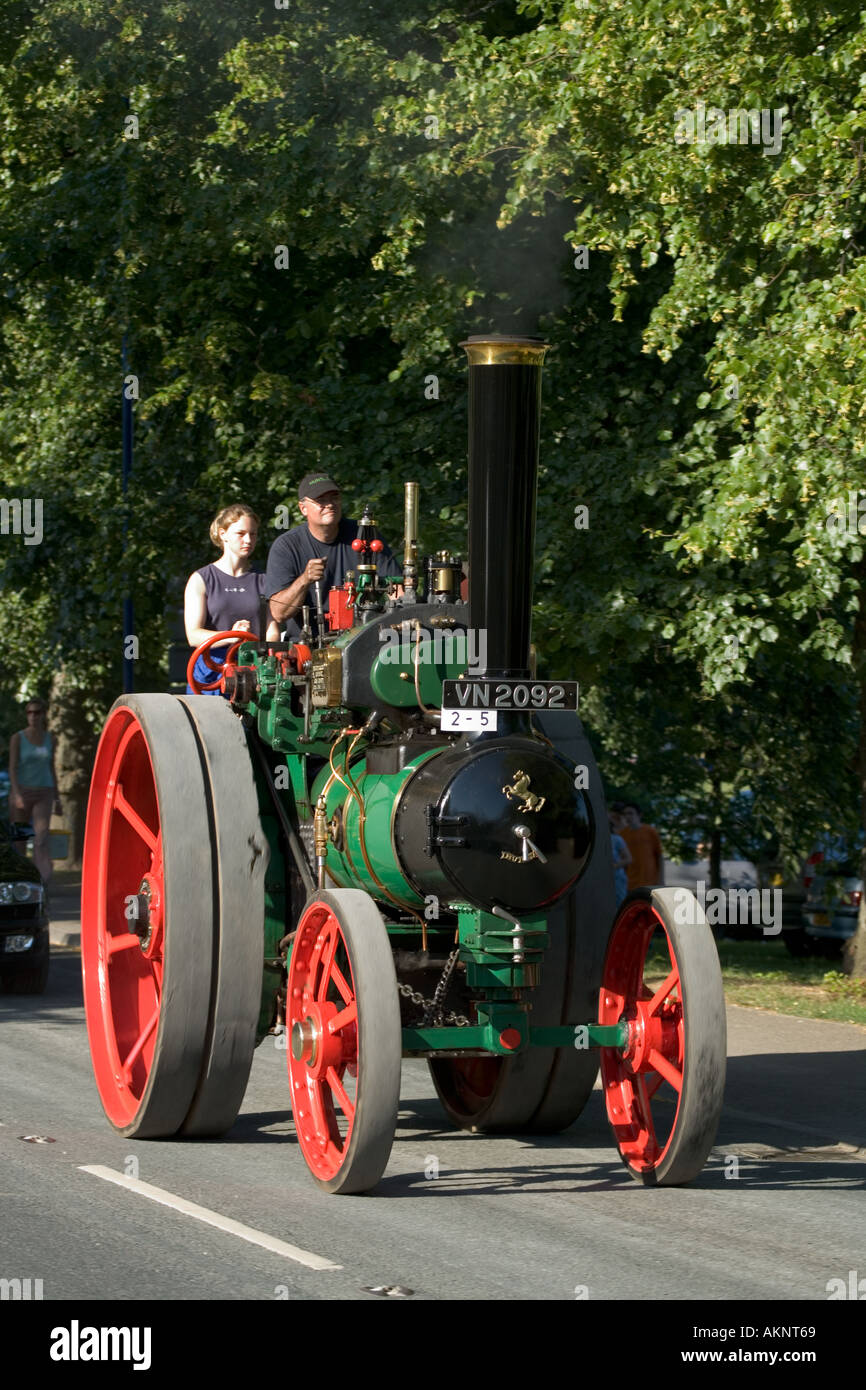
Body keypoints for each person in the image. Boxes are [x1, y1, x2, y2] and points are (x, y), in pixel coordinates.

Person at [266, 474, 402, 642]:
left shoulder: (364, 535)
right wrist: (305, 579)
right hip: (309, 646)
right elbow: (278, 613)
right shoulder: (287, 546)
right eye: (320, 500)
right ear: (303, 508)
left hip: (362, 641)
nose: (330, 504)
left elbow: (397, 591)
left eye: (334, 497)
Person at [184, 504, 280, 695]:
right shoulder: (201, 579)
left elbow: (272, 632)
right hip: (211, 672)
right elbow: (193, 636)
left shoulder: (264, 580)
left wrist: (256, 650)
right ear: (223, 534)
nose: (248, 540)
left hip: (252, 670)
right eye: (241, 533)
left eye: (253, 534)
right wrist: (231, 636)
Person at [8, 698, 61, 884]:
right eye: (30, 712)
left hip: (44, 792)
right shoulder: (18, 738)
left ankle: (42, 879)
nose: (33, 716)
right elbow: (12, 767)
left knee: (41, 837)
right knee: (20, 839)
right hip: (22, 791)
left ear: (43, 714)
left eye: (37, 712)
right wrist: (16, 794)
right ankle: (20, 877)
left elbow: (52, 767)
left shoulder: (50, 738)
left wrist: (57, 797)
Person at [621, 801, 664, 890]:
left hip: (650, 880)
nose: (627, 816)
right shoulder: (622, 834)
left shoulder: (650, 831)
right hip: (631, 881)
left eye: (630, 813)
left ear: (639, 815)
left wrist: (661, 879)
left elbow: (659, 856)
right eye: (625, 814)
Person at [609, 805, 632, 907]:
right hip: (605, 879)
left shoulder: (616, 839)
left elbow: (628, 859)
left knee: (619, 907)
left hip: (617, 879)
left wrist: (613, 867)